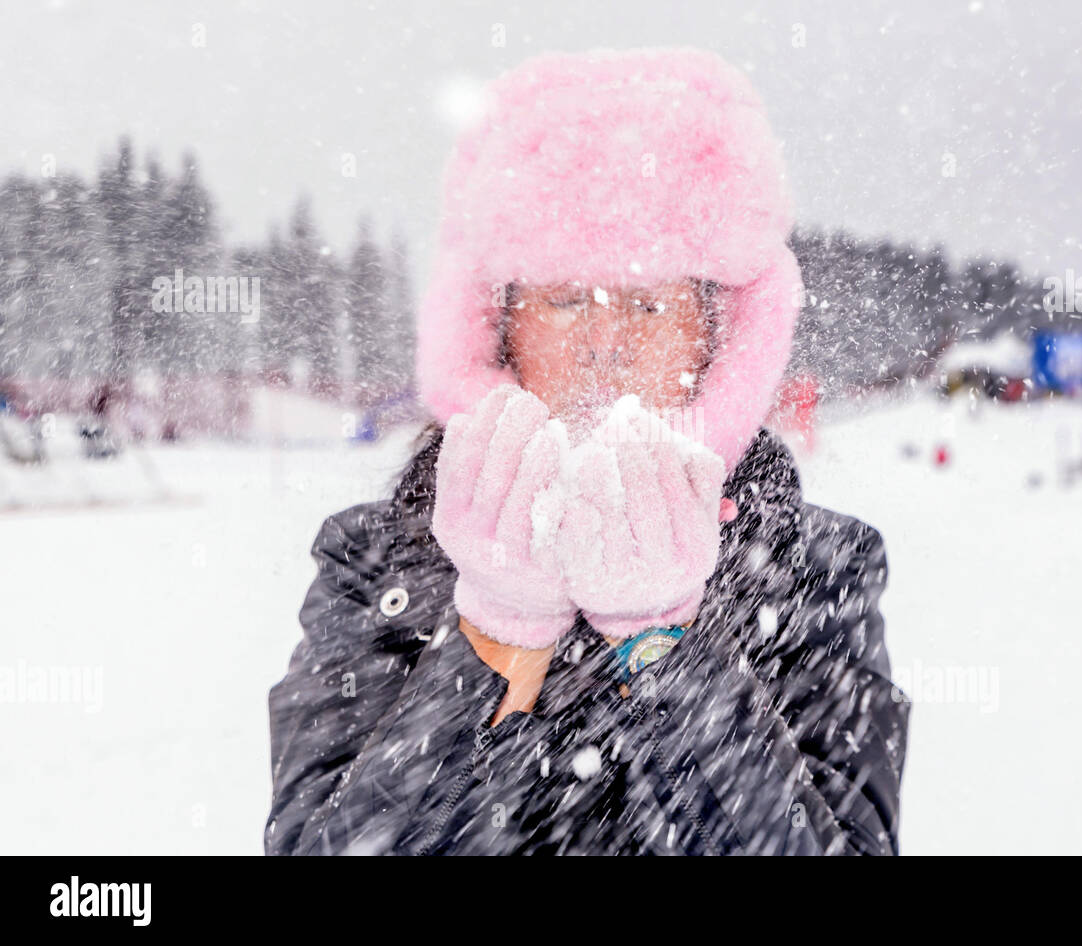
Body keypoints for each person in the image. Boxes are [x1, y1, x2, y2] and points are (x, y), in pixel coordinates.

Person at [265, 47, 909, 856]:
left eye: (648, 301)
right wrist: (495, 642)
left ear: (718, 334)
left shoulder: (817, 568)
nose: (608, 342)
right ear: (496, 323)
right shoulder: (374, 563)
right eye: (567, 300)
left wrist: (666, 647)